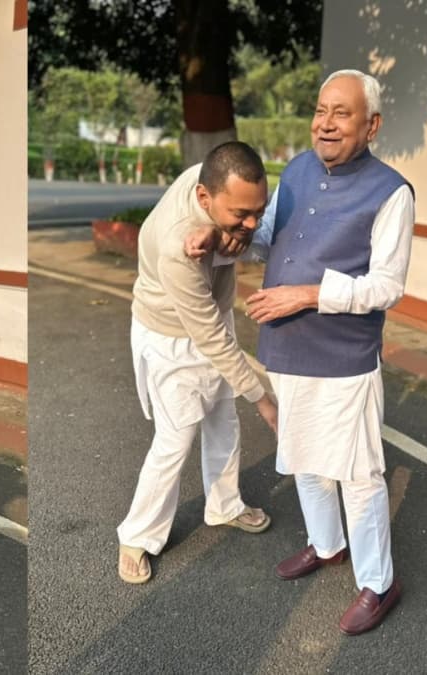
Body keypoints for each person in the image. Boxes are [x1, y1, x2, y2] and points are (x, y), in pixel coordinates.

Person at [188, 69, 414, 635]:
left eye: (342, 113)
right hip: (284, 349)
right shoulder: (295, 171)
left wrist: (309, 294)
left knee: (358, 475)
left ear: (372, 125)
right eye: (320, 110)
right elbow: (268, 236)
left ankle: (379, 583)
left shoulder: (392, 192)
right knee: (304, 460)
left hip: (343, 359)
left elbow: (387, 286)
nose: (326, 123)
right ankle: (326, 544)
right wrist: (221, 237)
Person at [115, 141, 279, 585]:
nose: (251, 224)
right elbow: (210, 338)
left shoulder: (208, 183)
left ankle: (225, 506)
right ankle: (137, 535)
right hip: (170, 336)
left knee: (223, 421)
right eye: (240, 216)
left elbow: (234, 239)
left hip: (209, 320)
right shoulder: (177, 248)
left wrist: (223, 239)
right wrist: (262, 397)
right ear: (206, 200)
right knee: (175, 438)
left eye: (257, 211)